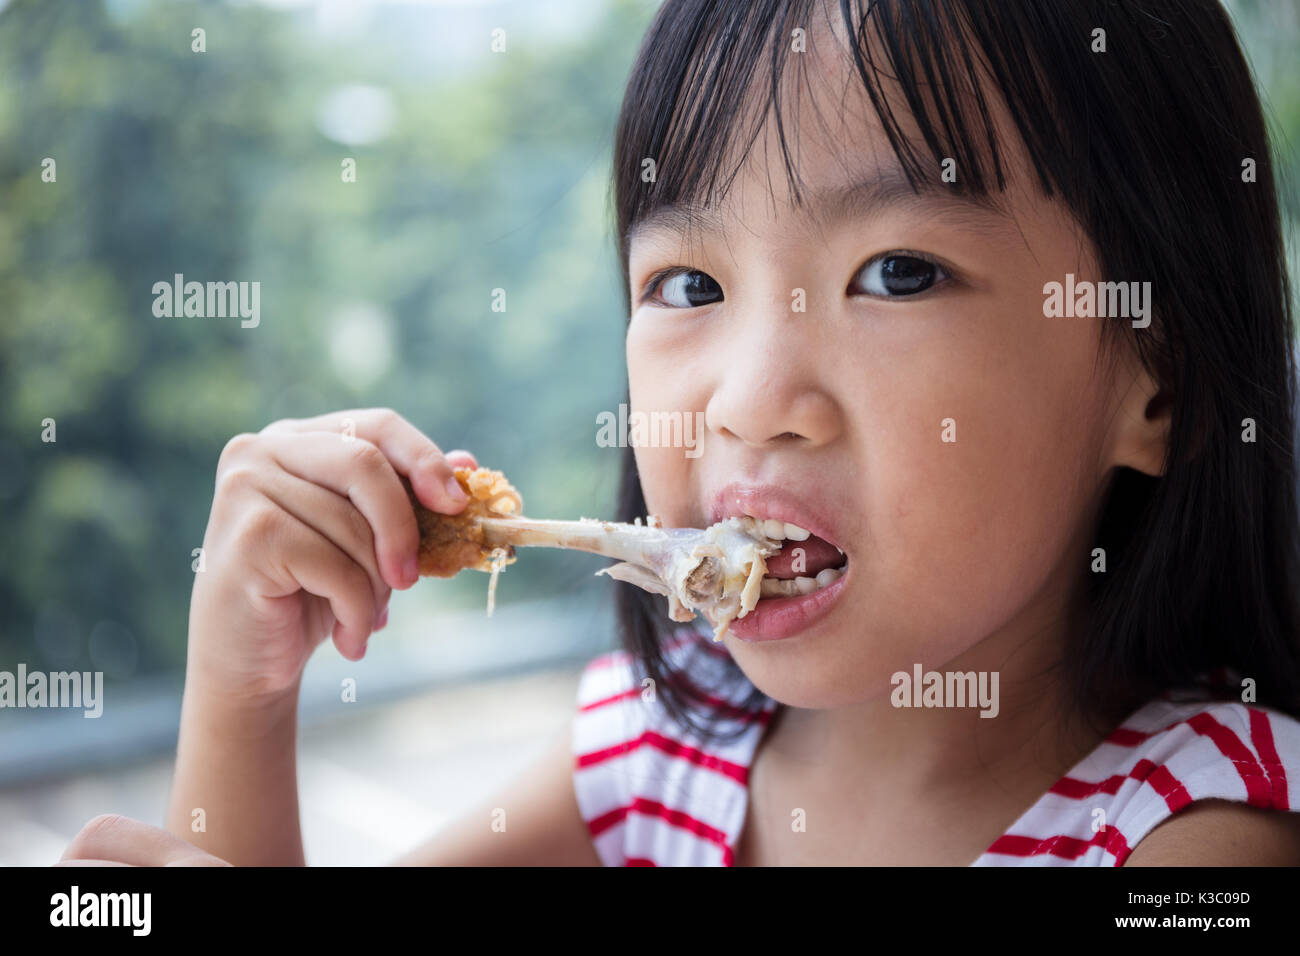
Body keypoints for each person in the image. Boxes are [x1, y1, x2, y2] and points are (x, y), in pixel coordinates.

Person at [61, 0, 1300, 867]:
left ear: (1157, 379)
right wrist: (242, 682)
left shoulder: (1204, 835)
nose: (751, 398)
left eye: (900, 272)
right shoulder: (665, 753)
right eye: (690, 288)